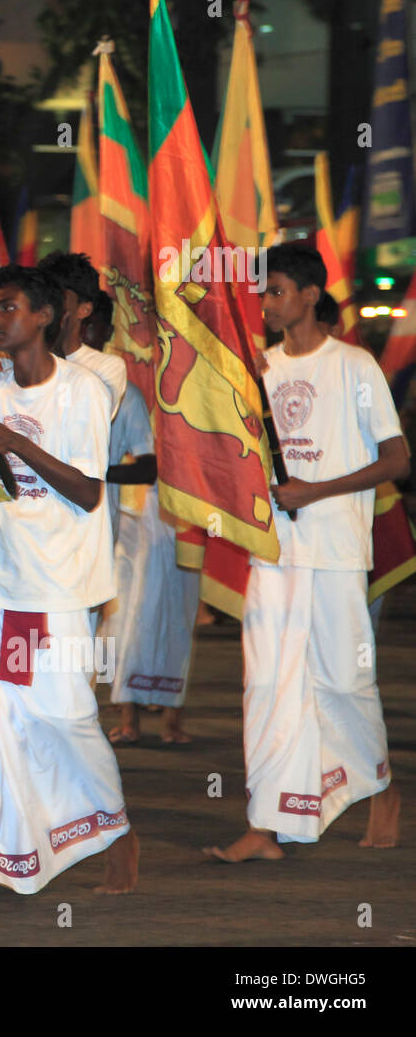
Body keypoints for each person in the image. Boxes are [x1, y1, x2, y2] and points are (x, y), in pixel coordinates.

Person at [0, 265, 137, 908]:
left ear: (44, 316)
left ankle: (114, 830)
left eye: (8, 307)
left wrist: (16, 445)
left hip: (55, 590)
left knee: (58, 720)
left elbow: (88, 490)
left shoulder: (85, 392)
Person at [205, 243, 407, 862]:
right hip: (275, 552)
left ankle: (380, 786)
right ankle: (267, 825)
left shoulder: (354, 366)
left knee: (342, 681)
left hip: (337, 547)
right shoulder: (257, 368)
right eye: (263, 293)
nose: (265, 303)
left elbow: (397, 458)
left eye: (277, 292)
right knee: (267, 684)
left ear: (311, 296)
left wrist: (315, 489)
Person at [82, 294, 199, 745]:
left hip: (179, 508)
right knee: (126, 616)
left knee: (175, 610)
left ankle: (171, 717)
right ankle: (125, 714)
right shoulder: (112, 377)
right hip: (128, 515)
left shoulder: (181, 371)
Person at [39, 251, 127, 419]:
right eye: (43, 295)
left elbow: (81, 422)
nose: (47, 305)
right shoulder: (19, 357)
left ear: (83, 309)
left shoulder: (106, 367)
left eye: (57, 297)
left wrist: (55, 349)